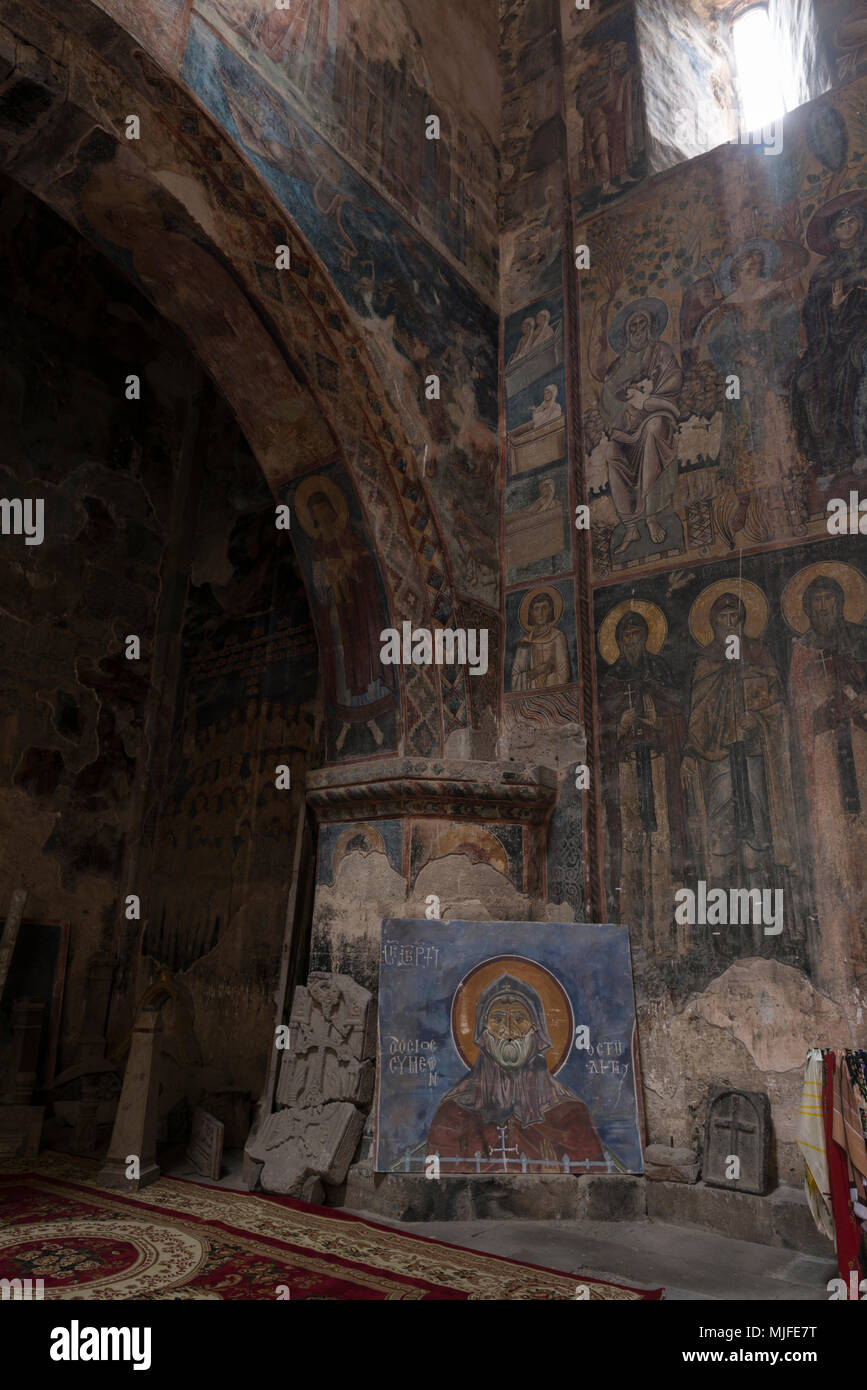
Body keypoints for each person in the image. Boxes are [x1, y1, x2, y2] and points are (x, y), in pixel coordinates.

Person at [426, 974, 604, 1172]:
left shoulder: (569, 1112)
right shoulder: (454, 1111)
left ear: (537, 1033)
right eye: (498, 1019)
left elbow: (598, 1183)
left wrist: (559, 1180)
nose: (508, 1031)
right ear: (483, 1035)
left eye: (519, 1019)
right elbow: (432, 1181)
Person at [788, 572, 867, 996]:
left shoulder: (860, 640)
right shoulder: (801, 652)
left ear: (841, 604)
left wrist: (856, 706)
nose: (823, 610)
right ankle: (841, 968)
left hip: (861, 751)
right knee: (834, 858)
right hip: (825, 764)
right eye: (815, 604)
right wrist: (822, 713)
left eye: (829, 602)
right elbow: (798, 712)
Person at [599, 607, 688, 955]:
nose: (632, 642)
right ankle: (633, 938)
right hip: (626, 773)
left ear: (646, 638)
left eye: (637, 636)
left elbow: (674, 716)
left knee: (662, 846)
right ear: (619, 642)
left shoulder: (660, 671)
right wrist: (620, 724)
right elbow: (605, 730)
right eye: (626, 637)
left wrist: (658, 722)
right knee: (632, 848)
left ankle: (667, 940)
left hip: (657, 766)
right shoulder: (610, 681)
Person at [791, 198, 867, 478]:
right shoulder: (824, 271)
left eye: (851, 221)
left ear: (860, 223)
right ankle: (830, 458)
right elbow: (812, 315)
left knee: (854, 369)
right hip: (832, 340)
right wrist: (834, 306)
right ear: (833, 233)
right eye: (840, 225)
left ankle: (861, 448)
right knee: (806, 380)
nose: (846, 229)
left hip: (862, 335)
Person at [599, 302, 682, 554]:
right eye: (632, 326)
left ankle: (651, 515)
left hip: (657, 415)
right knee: (612, 450)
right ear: (626, 333)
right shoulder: (617, 365)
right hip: (627, 424)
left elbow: (673, 380)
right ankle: (631, 526)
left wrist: (645, 401)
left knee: (653, 429)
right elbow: (607, 396)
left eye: (641, 323)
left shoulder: (661, 352)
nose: (637, 329)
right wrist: (625, 409)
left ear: (649, 327)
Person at [510, 591, 570, 690]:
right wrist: (536, 671)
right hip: (528, 699)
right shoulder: (525, 642)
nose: (541, 613)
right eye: (537, 608)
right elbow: (515, 680)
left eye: (545, 608)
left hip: (552, 696)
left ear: (550, 610)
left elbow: (563, 675)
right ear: (531, 613)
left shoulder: (557, 637)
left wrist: (548, 675)